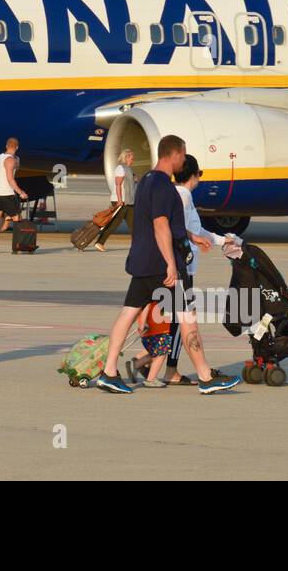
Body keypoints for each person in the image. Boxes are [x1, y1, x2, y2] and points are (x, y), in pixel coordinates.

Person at [93, 135, 240, 396]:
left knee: (128, 313)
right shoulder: (163, 185)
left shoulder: (147, 181)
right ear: (174, 154)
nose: (184, 160)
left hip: (142, 261)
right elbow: (160, 224)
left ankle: (110, 372)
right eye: (183, 155)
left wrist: (193, 236)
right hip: (163, 267)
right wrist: (171, 265)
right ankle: (206, 377)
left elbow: (163, 223)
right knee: (187, 319)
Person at [162, 154, 234, 384]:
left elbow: (197, 231)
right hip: (182, 267)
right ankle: (165, 368)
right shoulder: (182, 196)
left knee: (175, 319)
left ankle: (158, 365)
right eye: (199, 173)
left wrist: (224, 241)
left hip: (184, 265)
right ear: (194, 175)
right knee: (181, 319)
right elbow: (179, 230)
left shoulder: (183, 195)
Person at [94, 148, 136, 252]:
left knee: (134, 224)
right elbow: (118, 185)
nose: (133, 160)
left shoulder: (128, 169)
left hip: (129, 202)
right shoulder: (120, 168)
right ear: (126, 158)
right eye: (131, 158)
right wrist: (119, 200)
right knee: (113, 224)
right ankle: (99, 242)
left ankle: (138, 244)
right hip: (120, 201)